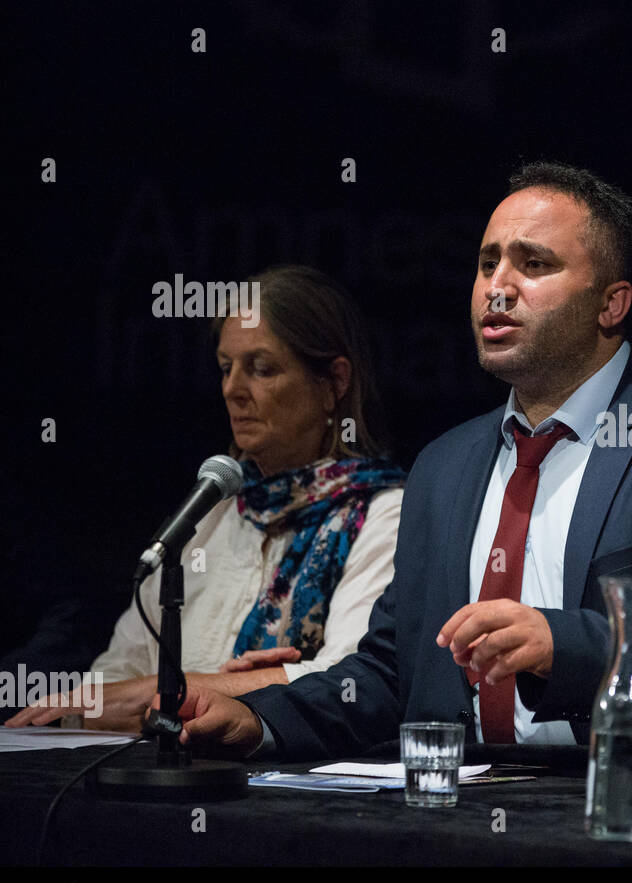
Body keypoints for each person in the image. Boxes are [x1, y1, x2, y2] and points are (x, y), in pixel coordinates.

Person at [171, 162, 632, 776]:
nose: (498, 286)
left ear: (611, 305)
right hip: (470, 806)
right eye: (486, 264)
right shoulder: (446, 466)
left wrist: (562, 644)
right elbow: (395, 672)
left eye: (534, 265)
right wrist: (260, 720)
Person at [6, 265, 405, 732]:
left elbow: (357, 682)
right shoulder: (210, 509)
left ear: (333, 383)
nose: (234, 389)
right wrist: (134, 701)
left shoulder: (384, 513)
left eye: (261, 368)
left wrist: (183, 691)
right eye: (225, 368)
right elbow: (116, 675)